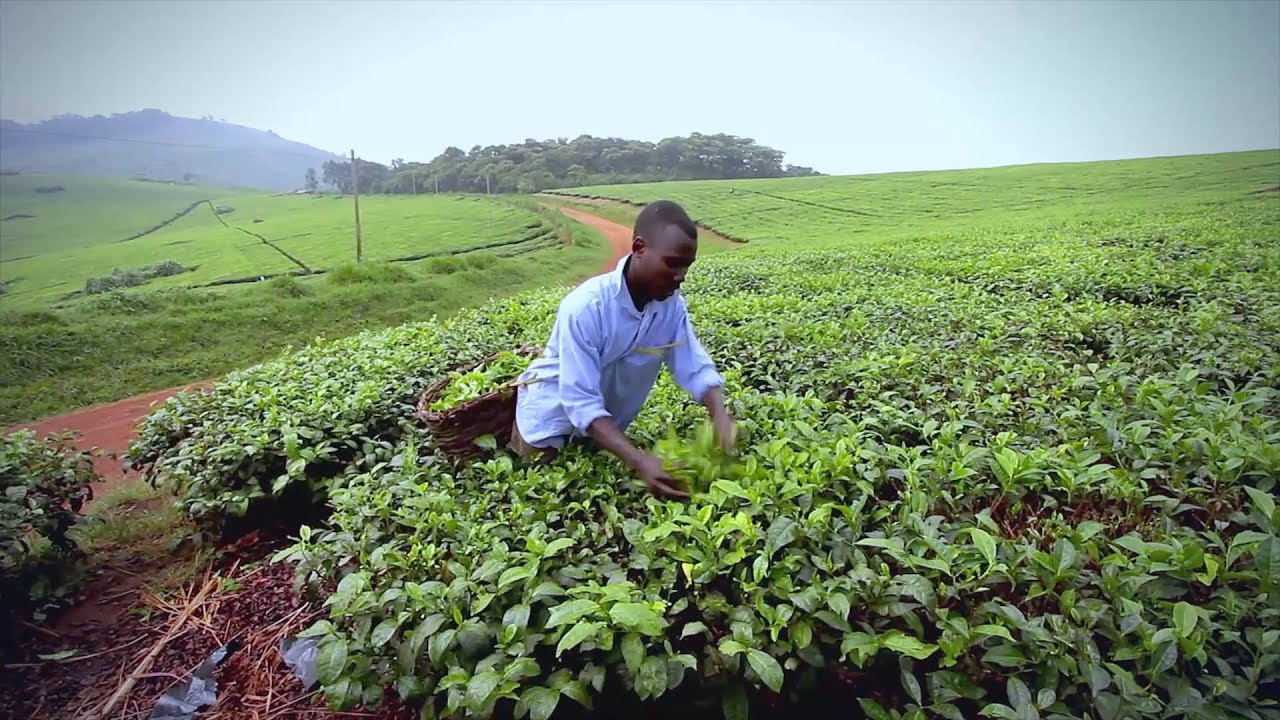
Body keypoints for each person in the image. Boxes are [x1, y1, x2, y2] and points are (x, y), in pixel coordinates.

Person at [510, 200, 735, 499]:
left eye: (687, 266)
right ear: (639, 247)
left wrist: (719, 414)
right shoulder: (585, 308)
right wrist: (639, 460)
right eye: (672, 263)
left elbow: (692, 364)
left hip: (603, 435)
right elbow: (581, 402)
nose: (680, 276)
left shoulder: (671, 307)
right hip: (548, 428)